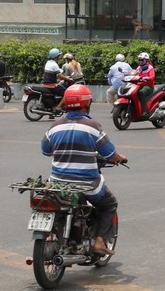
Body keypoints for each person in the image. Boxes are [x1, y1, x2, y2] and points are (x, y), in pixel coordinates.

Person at [40, 84, 128, 255]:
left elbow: (46, 151)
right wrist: (120, 158)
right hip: (86, 184)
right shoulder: (93, 126)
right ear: (87, 104)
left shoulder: (55, 126)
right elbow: (110, 154)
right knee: (110, 204)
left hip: (58, 183)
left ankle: (50, 235)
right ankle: (100, 242)